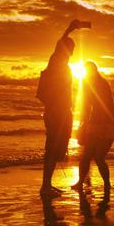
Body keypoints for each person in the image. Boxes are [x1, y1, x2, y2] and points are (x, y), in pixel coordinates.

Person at [36, 20, 85, 197]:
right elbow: (59, 44)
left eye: (72, 50)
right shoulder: (56, 62)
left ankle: (47, 185)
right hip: (55, 113)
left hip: (62, 112)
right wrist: (69, 30)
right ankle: (45, 187)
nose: (71, 52)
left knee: (56, 150)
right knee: (51, 150)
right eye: (69, 48)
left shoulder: (64, 65)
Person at [71, 60, 114, 192]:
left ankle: (89, 183)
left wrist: (84, 124)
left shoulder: (93, 84)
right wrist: (84, 123)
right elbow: (88, 106)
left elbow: (88, 106)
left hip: (103, 123)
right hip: (105, 123)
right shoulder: (102, 83)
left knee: (93, 157)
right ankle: (98, 184)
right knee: (95, 157)